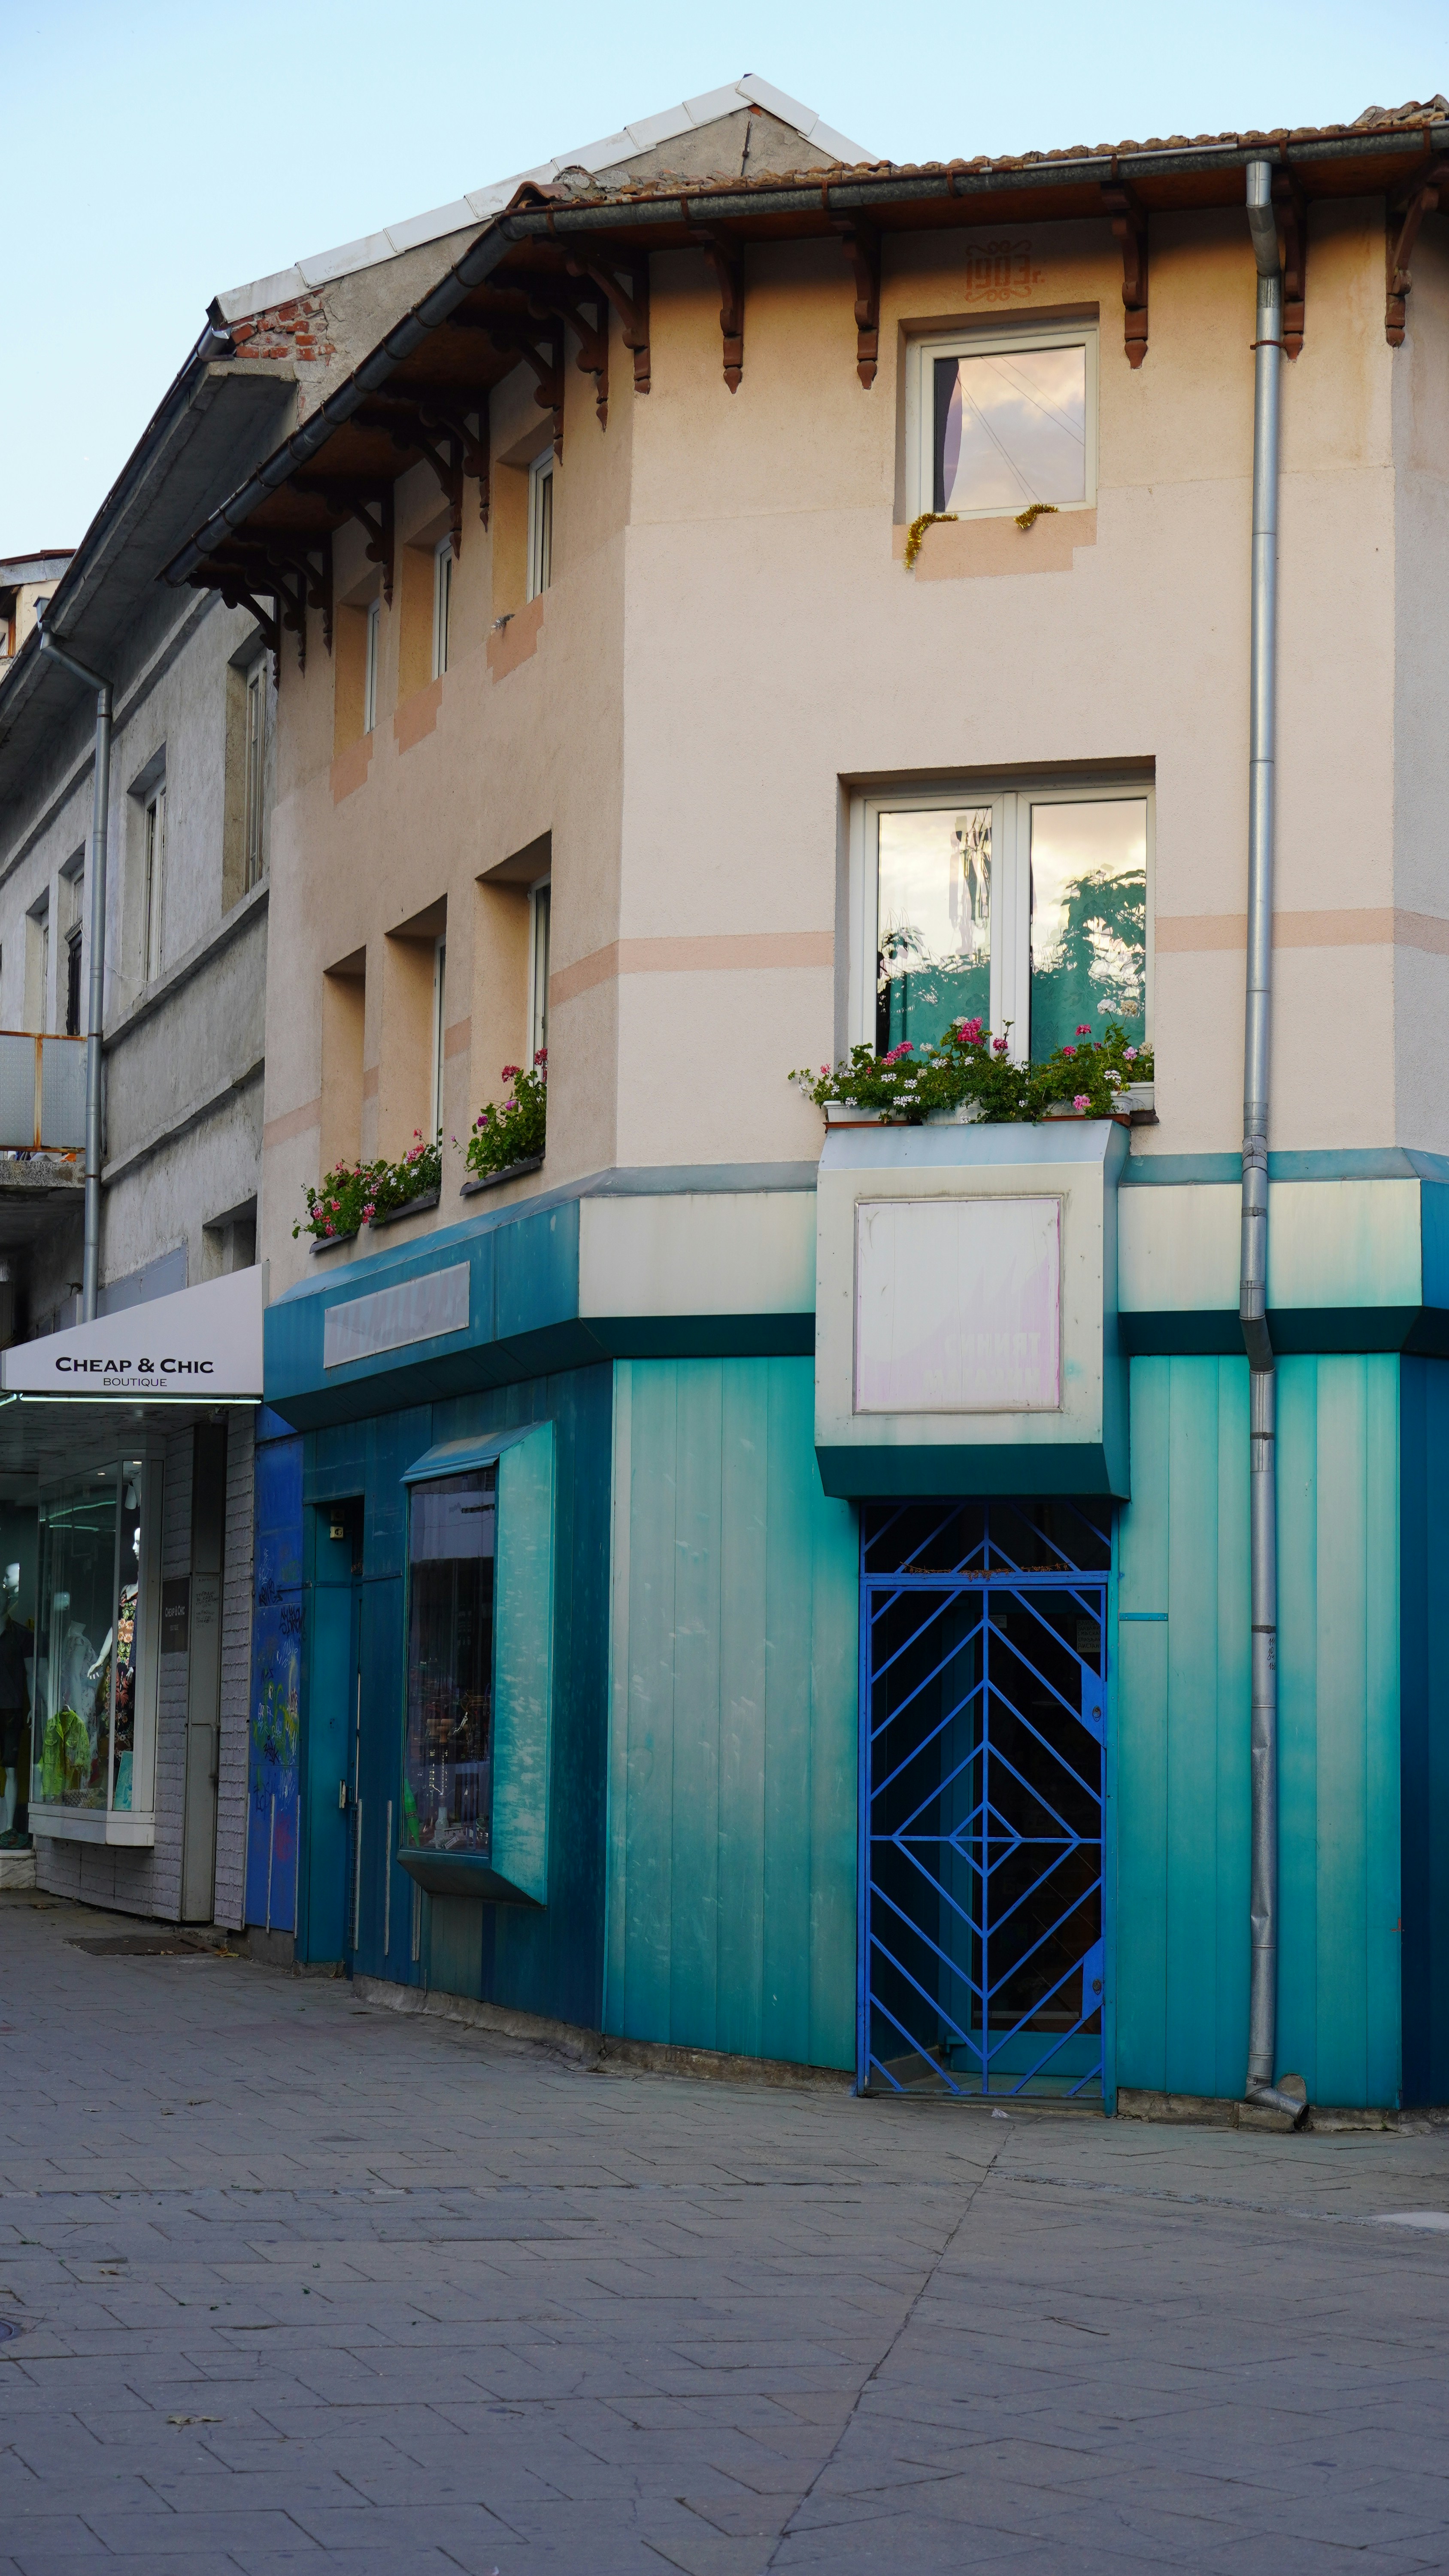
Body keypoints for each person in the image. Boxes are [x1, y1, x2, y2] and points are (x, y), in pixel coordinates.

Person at [0, 1567, 30, 1847]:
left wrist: (37, 1702)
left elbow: (33, 1672)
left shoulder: (20, 1635)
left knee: (10, 1768)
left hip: (11, 1710)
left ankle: (9, 1827)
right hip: (10, 1708)